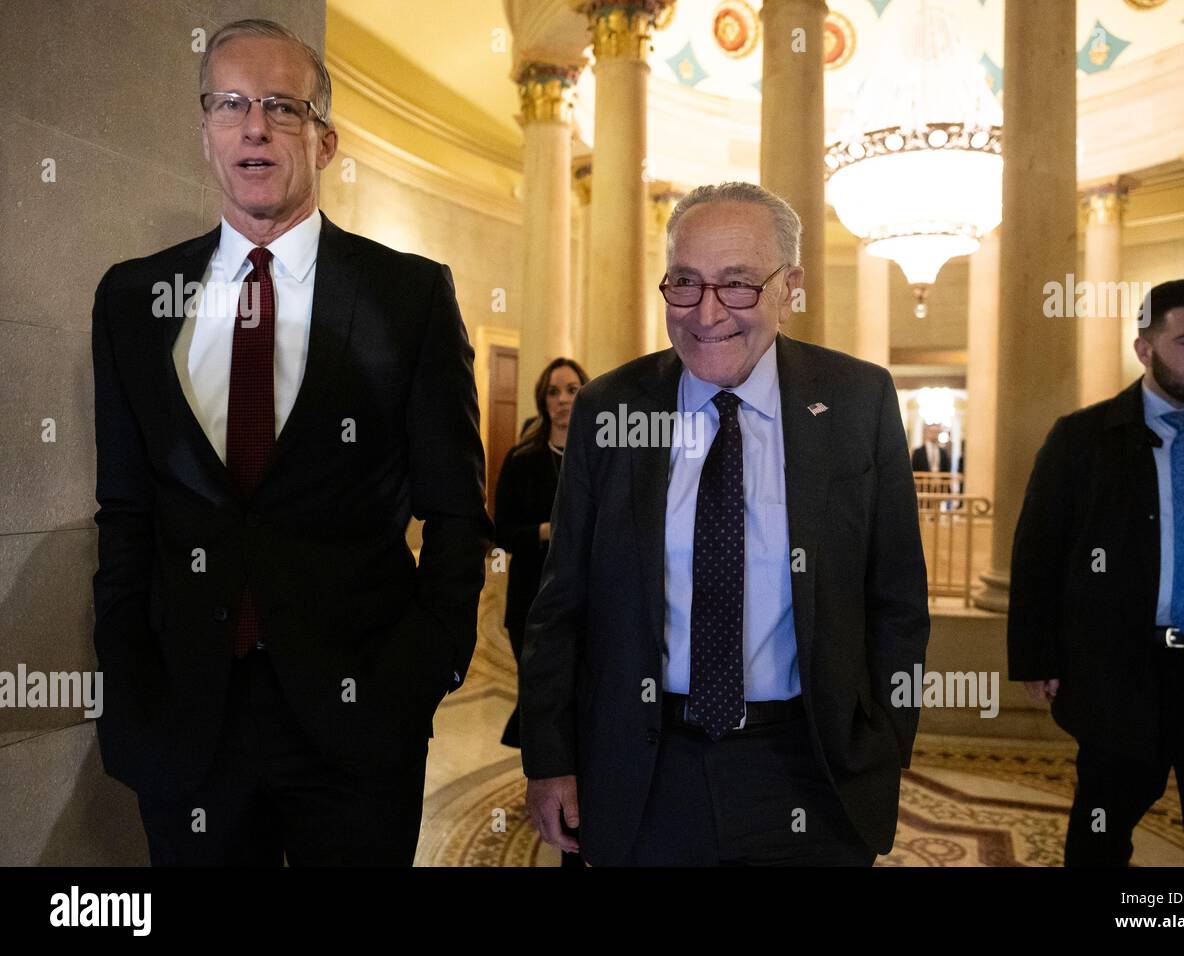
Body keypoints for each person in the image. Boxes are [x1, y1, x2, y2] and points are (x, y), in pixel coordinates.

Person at [90, 19, 490, 865]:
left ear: (326, 138)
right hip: (187, 719)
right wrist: (128, 664)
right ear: (205, 132)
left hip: (356, 726)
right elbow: (125, 508)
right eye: (230, 104)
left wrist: (422, 671)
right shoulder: (132, 298)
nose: (255, 126)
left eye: (282, 105)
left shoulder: (407, 297)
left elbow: (456, 512)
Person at [521, 182, 929, 866]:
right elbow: (562, 603)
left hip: (809, 768)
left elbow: (896, 599)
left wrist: (884, 739)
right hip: (644, 770)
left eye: (737, 285)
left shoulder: (859, 401)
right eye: (685, 283)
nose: (706, 314)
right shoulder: (609, 408)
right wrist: (550, 757)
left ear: (789, 288)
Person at [1008, 278, 1184, 867]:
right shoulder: (1082, 439)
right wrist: (1038, 656)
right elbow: (1039, 551)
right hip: (1126, 669)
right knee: (1101, 832)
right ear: (1144, 348)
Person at [494, 357, 588, 749]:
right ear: (542, 400)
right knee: (540, 697)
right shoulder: (522, 460)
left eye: (572, 389)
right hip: (531, 599)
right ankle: (542, 781)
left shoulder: (599, 452)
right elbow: (501, 533)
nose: (563, 399)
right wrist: (546, 531)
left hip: (586, 599)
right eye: (554, 391)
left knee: (580, 698)